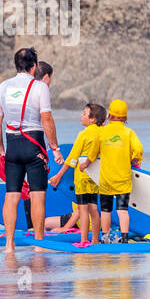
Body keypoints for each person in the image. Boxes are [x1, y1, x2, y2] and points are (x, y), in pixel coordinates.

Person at [0, 47, 64, 253]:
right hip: (34, 145)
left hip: (12, 145)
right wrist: (55, 148)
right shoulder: (40, 87)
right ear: (34, 66)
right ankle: (39, 245)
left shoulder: (3, 87)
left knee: (11, 196)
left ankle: (9, 245)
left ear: (16, 65)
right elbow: (46, 118)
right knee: (37, 195)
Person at [48, 102, 106, 247]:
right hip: (95, 177)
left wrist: (58, 176)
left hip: (82, 177)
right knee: (93, 208)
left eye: (84, 114)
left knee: (83, 209)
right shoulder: (102, 133)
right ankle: (95, 240)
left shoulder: (84, 134)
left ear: (92, 119)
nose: (81, 115)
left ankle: (84, 241)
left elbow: (72, 158)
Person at [97, 98, 143, 243]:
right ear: (125, 117)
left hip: (106, 178)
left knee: (105, 210)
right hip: (123, 177)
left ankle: (105, 237)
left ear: (109, 115)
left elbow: (94, 150)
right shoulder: (129, 133)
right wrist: (135, 159)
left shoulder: (102, 132)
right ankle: (124, 238)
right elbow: (139, 149)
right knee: (122, 209)